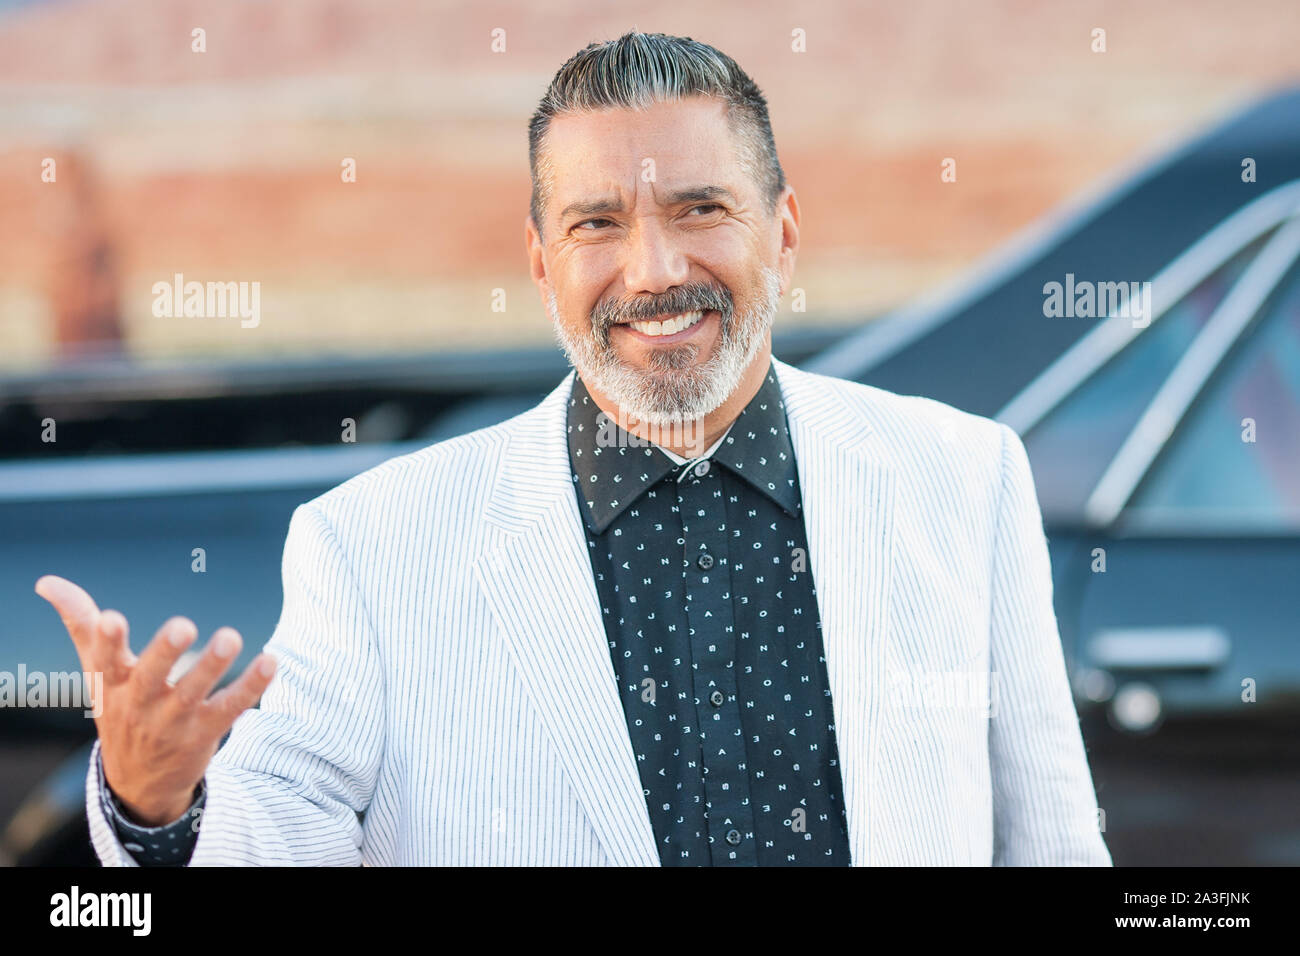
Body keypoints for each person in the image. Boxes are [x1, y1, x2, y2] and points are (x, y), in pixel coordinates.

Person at [37, 31, 1110, 866]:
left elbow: (1055, 846)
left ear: (782, 233)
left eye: (701, 208)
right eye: (597, 223)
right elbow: (281, 837)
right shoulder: (370, 546)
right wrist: (155, 804)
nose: (652, 269)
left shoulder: (963, 479)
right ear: (542, 264)